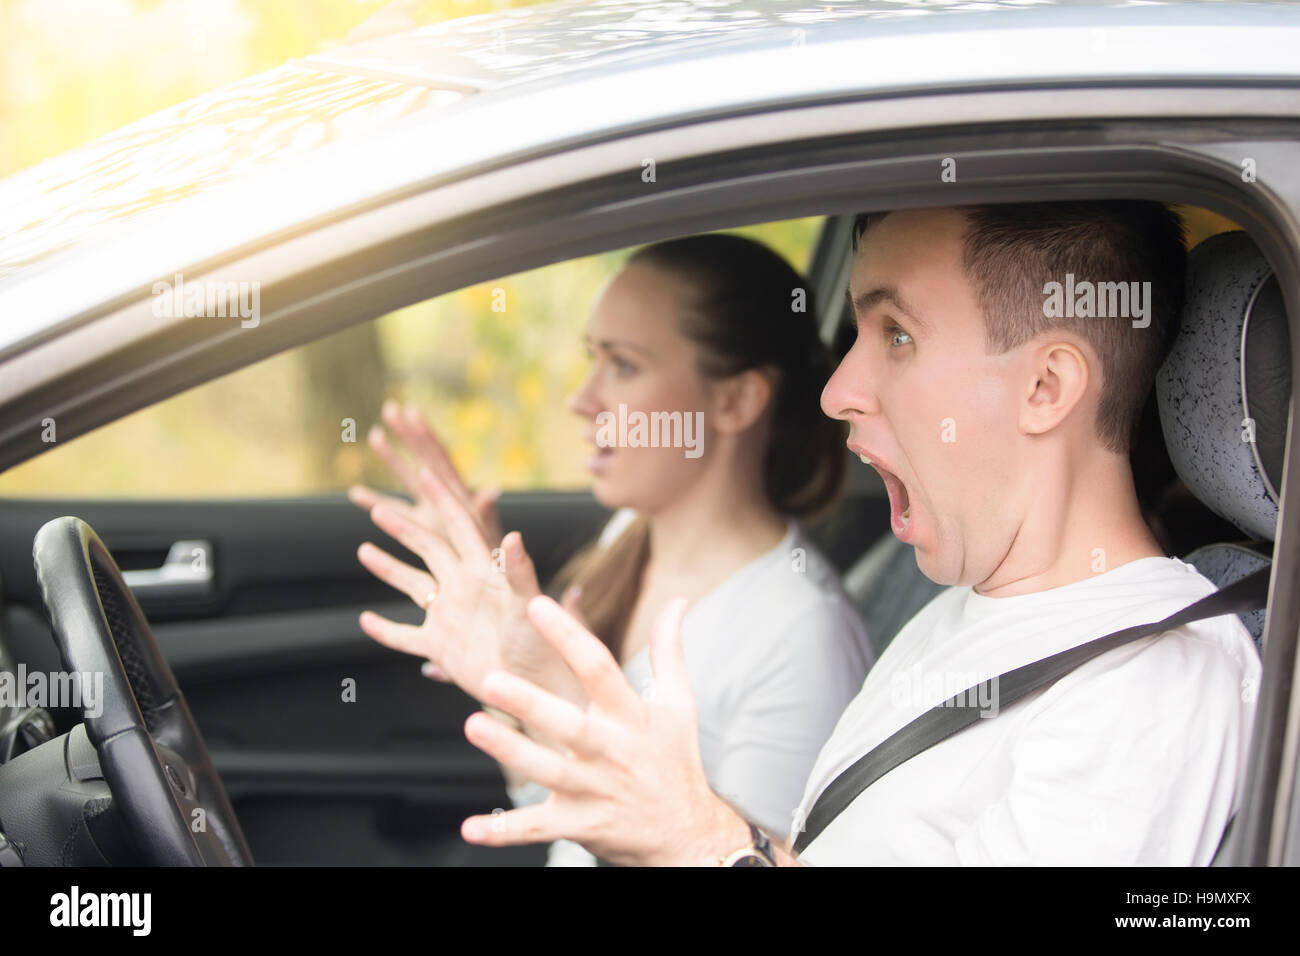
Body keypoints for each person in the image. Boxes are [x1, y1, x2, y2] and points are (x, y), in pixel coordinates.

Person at [450, 202, 1262, 866]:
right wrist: (554, 705)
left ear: (1046, 387)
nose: (837, 389)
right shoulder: (966, 605)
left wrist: (708, 848)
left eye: (897, 335)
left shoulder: (1146, 685)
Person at [350, 233, 875, 863]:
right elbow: (568, 815)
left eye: (622, 366)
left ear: (736, 400)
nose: (582, 399)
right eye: (591, 358)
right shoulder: (626, 533)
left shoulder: (801, 637)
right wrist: (514, 683)